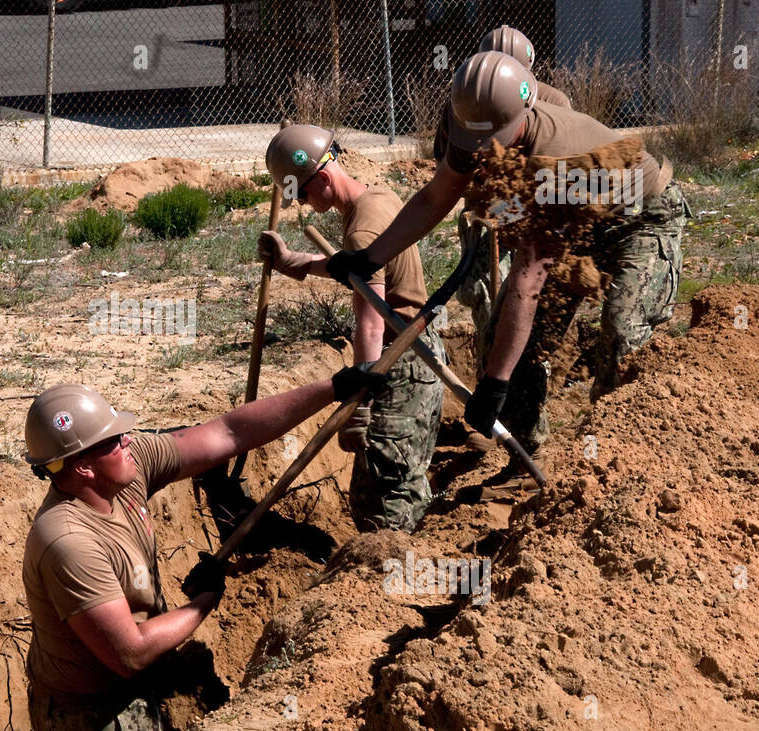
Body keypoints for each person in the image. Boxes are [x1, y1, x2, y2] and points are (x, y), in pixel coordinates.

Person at [326, 50, 689, 475]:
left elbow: (527, 281)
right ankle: (525, 457)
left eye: (495, 138)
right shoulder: (471, 126)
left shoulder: (556, 160)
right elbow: (434, 198)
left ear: (524, 112)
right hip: (578, 223)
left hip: (638, 218)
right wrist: (370, 257)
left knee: (622, 331)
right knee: (503, 336)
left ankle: (619, 466)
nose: (484, 151)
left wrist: (495, 384)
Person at [22, 368, 385, 731]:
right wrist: (203, 601)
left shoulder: (124, 468)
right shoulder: (70, 542)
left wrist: (331, 388)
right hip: (93, 718)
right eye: (113, 439)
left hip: (135, 685)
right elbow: (130, 653)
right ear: (82, 466)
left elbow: (228, 432)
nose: (128, 440)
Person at [258, 124, 443, 533]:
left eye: (302, 193)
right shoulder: (378, 197)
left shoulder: (360, 228)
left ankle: (384, 587)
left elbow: (371, 320)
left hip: (399, 360)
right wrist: (294, 262)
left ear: (323, 177)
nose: (301, 204)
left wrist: (360, 400)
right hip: (422, 350)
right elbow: (354, 268)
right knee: (401, 483)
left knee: (380, 500)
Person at [439, 27, 573, 409]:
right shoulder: (465, 99)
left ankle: (524, 394)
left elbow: (556, 174)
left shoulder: (552, 101)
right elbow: (448, 166)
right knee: (482, 298)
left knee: (527, 300)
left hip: (538, 215)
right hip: (485, 211)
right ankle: (491, 388)